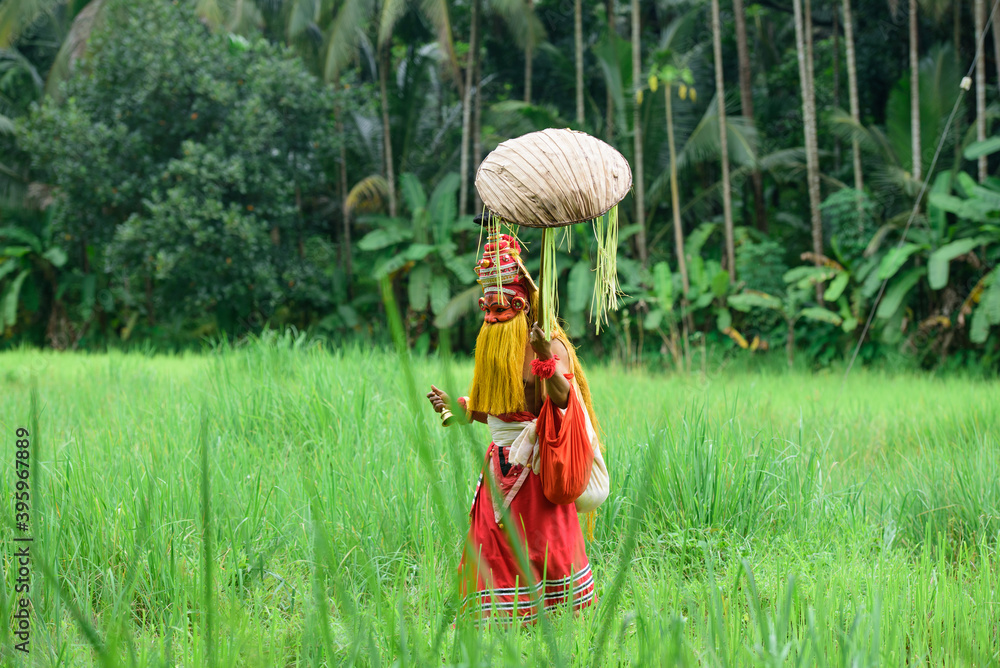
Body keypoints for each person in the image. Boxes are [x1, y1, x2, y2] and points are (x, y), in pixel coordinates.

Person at [426, 229, 607, 624]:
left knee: (546, 547)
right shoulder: (494, 344)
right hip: (498, 467)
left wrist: (545, 359)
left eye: (501, 308)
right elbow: (493, 407)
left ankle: (554, 621)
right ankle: (495, 623)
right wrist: (458, 409)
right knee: (491, 545)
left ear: (524, 303)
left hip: (537, 466)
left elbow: (564, 401)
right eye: (487, 309)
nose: (491, 317)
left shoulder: (549, 343)